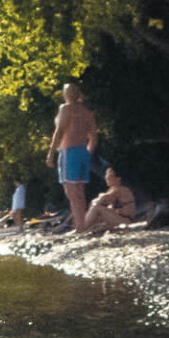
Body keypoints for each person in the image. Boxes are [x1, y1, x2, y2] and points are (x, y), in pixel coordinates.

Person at [46, 83, 99, 233]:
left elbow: (59, 131)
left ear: (66, 94)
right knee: (80, 191)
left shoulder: (65, 108)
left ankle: (80, 227)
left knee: (71, 191)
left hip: (69, 152)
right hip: (83, 151)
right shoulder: (86, 112)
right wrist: (87, 153)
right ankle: (81, 224)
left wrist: (51, 153)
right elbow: (94, 137)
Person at [82, 166, 136, 235]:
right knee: (97, 212)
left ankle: (82, 227)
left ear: (118, 179)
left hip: (124, 220)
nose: (107, 178)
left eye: (110, 176)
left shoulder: (120, 190)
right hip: (115, 218)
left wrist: (100, 196)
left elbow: (100, 200)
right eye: (106, 175)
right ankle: (84, 227)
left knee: (97, 208)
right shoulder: (111, 190)